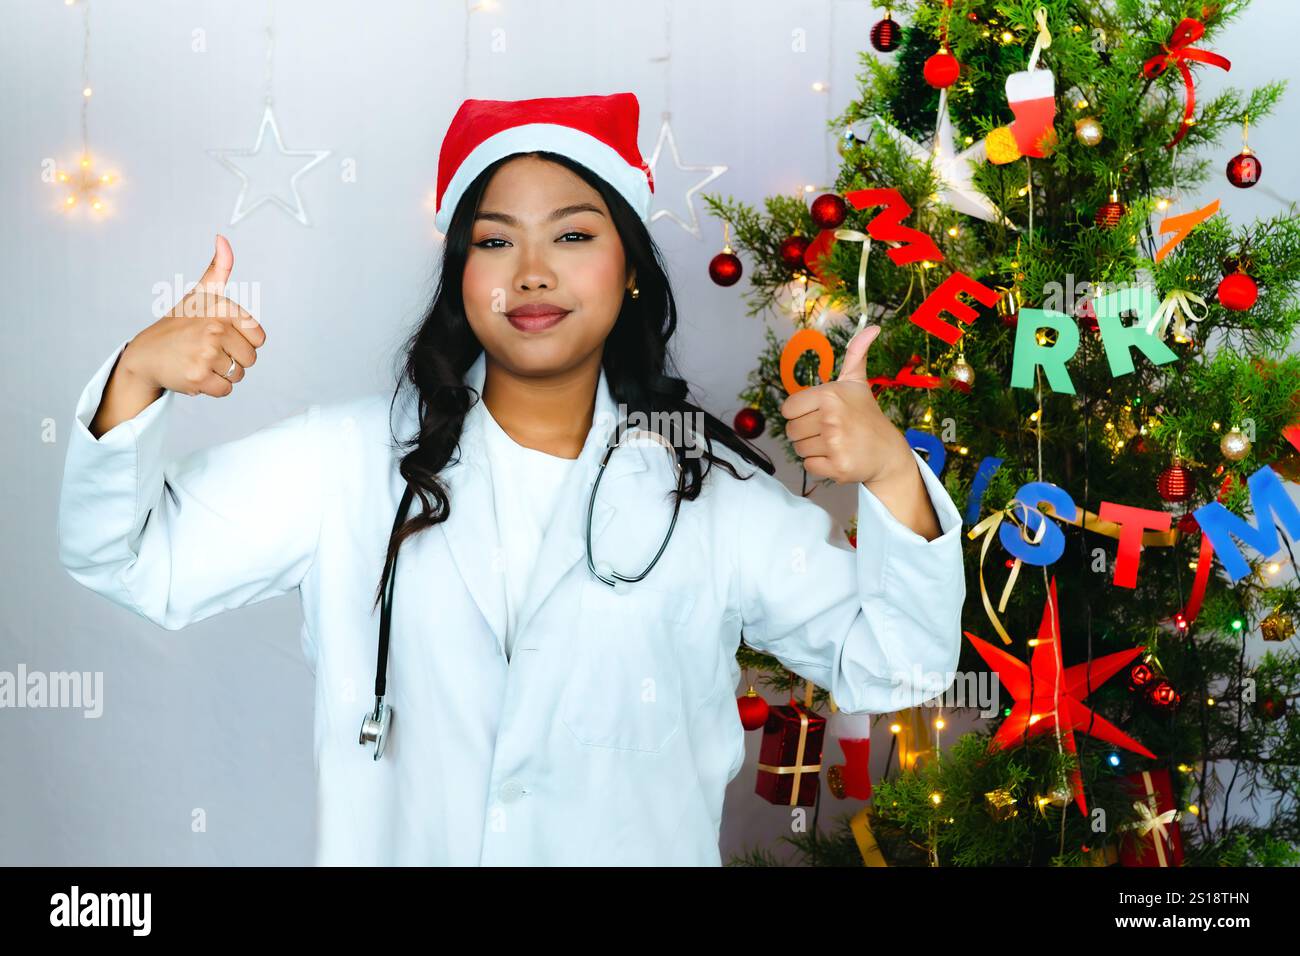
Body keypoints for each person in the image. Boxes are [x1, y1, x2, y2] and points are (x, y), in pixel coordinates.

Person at [56, 91, 967, 866]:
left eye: (573, 234)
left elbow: (895, 661)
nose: (533, 273)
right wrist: (138, 374)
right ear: (462, 277)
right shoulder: (342, 463)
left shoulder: (710, 494)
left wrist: (890, 470)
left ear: (632, 271)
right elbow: (132, 559)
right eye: (496, 243)